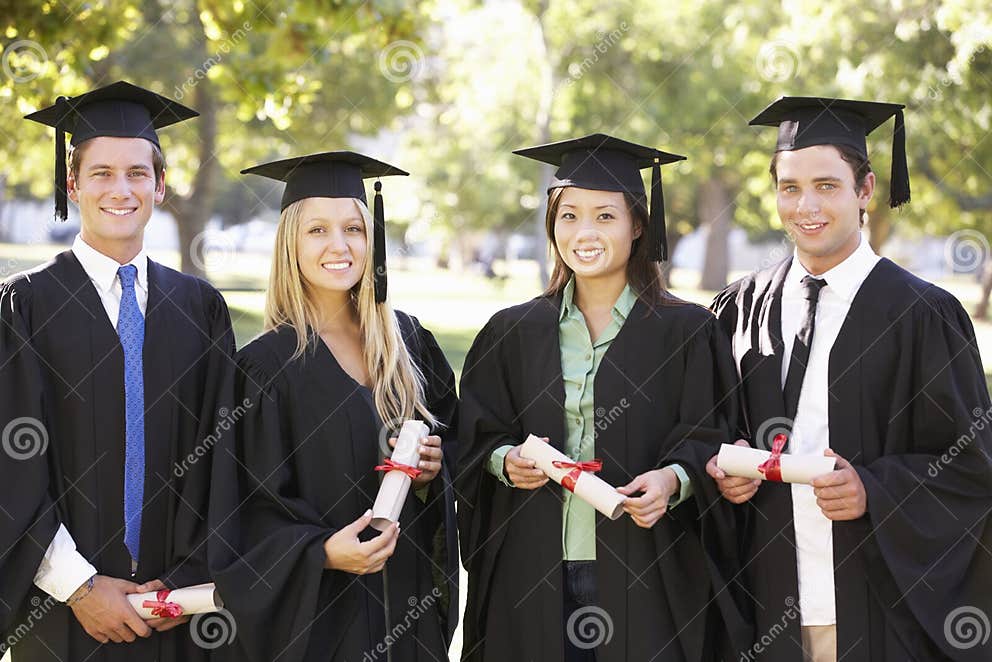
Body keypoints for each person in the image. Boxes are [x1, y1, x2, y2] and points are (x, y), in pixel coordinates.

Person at [709, 96, 992, 662]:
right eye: (789, 187)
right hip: (765, 605)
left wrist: (876, 488)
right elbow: (702, 429)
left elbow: (973, 465)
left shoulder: (923, 314)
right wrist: (720, 466)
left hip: (877, 607)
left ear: (865, 191)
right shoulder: (739, 307)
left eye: (827, 185)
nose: (806, 205)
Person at [457, 134, 751, 662]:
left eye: (605, 217)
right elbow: (473, 433)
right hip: (534, 571)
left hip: (648, 571)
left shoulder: (686, 332)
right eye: (568, 216)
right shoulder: (512, 332)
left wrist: (673, 480)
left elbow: (714, 435)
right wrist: (506, 461)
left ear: (638, 225)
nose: (584, 232)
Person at [0, 81, 235, 661]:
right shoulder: (23, 307)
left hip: (175, 614)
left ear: (159, 185)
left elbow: (224, 457)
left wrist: (182, 586)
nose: (120, 189)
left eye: (136, 172)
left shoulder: (199, 308)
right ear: (72, 183)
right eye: (101, 173)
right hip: (56, 613)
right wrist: (79, 587)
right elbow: (9, 467)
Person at [208, 151, 459, 662]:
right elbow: (245, 509)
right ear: (290, 244)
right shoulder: (265, 367)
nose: (339, 246)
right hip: (321, 623)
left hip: (409, 614)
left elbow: (460, 448)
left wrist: (437, 469)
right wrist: (319, 551)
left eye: (353, 229)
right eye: (317, 231)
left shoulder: (409, 344)